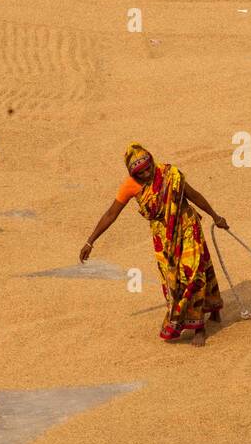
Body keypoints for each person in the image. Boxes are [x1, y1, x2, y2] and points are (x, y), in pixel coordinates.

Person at [80, 144, 227, 345]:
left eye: (148, 167)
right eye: (141, 173)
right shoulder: (129, 186)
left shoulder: (170, 174)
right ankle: (211, 307)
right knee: (174, 281)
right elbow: (111, 214)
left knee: (193, 273)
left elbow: (194, 196)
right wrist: (90, 240)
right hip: (163, 239)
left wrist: (215, 216)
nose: (148, 173)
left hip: (187, 226)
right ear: (133, 174)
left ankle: (198, 327)